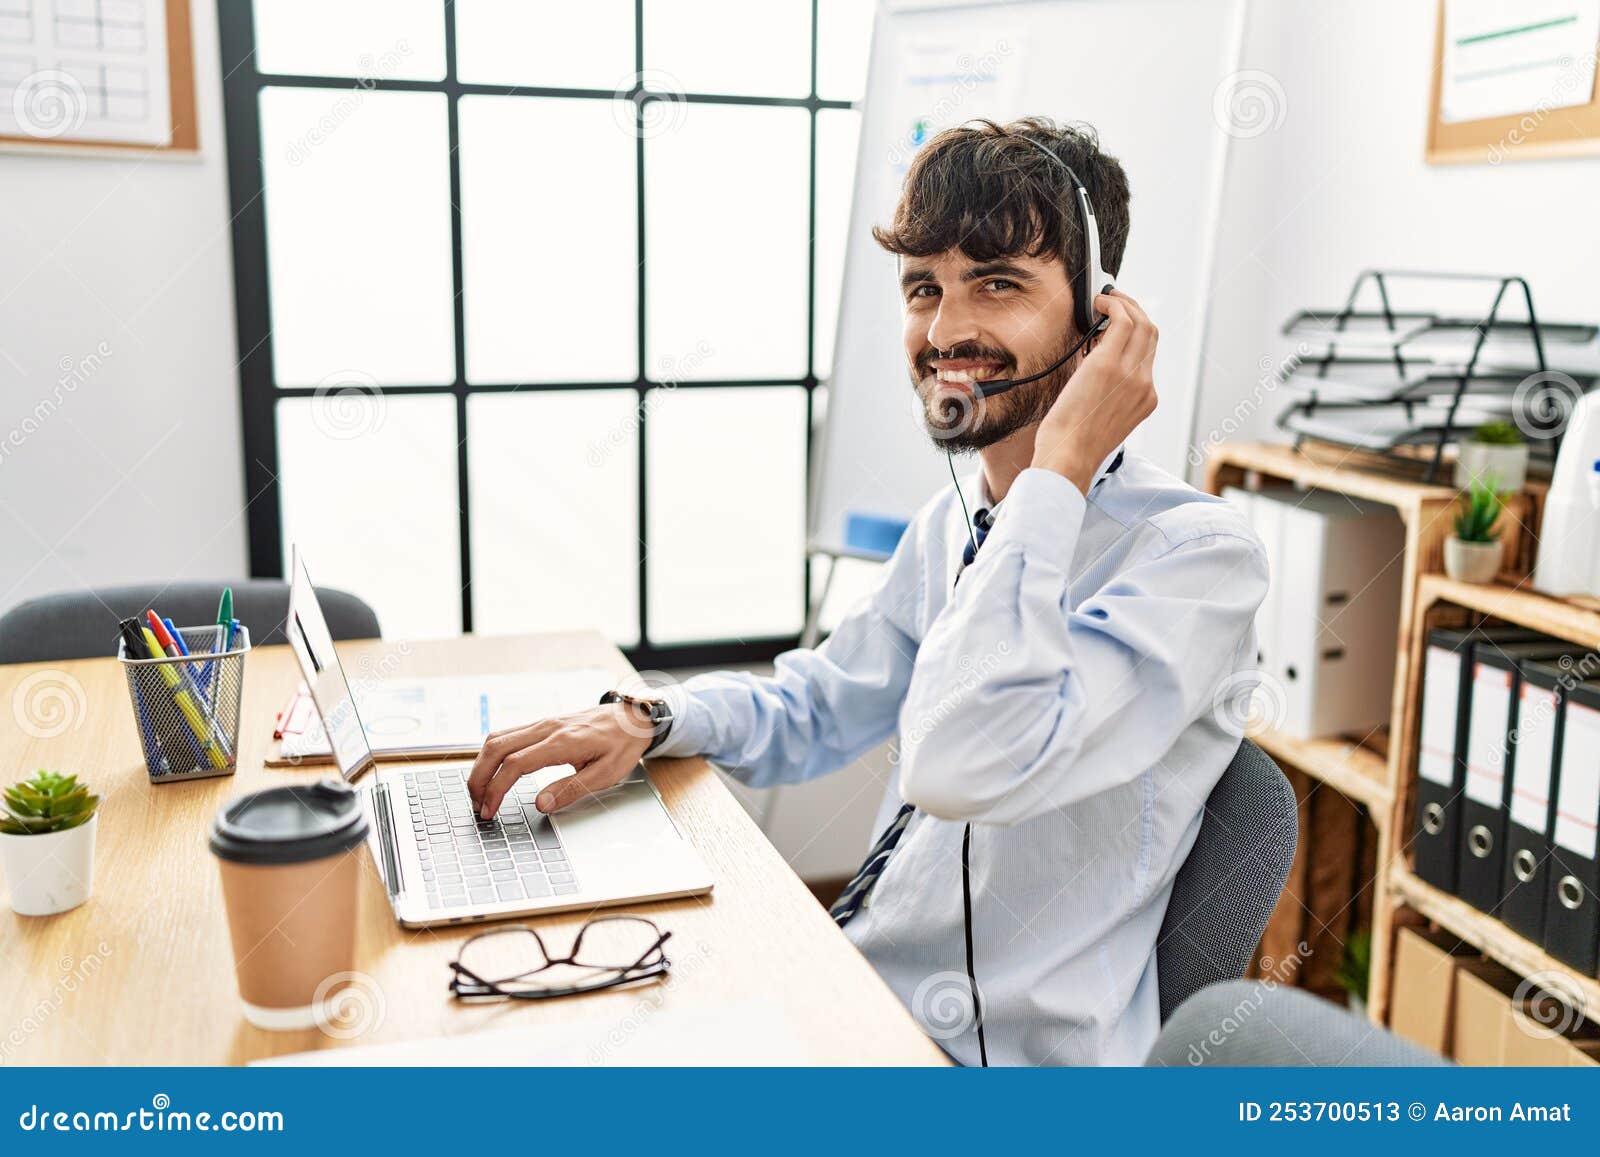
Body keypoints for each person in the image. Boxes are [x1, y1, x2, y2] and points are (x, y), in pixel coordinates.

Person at [468, 117, 1268, 1066]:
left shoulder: (1195, 560)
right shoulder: (953, 526)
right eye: (924, 288)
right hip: (853, 992)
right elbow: (817, 706)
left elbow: (962, 762)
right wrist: (651, 716)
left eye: (997, 283)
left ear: (1102, 320)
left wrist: (1058, 469)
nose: (946, 331)